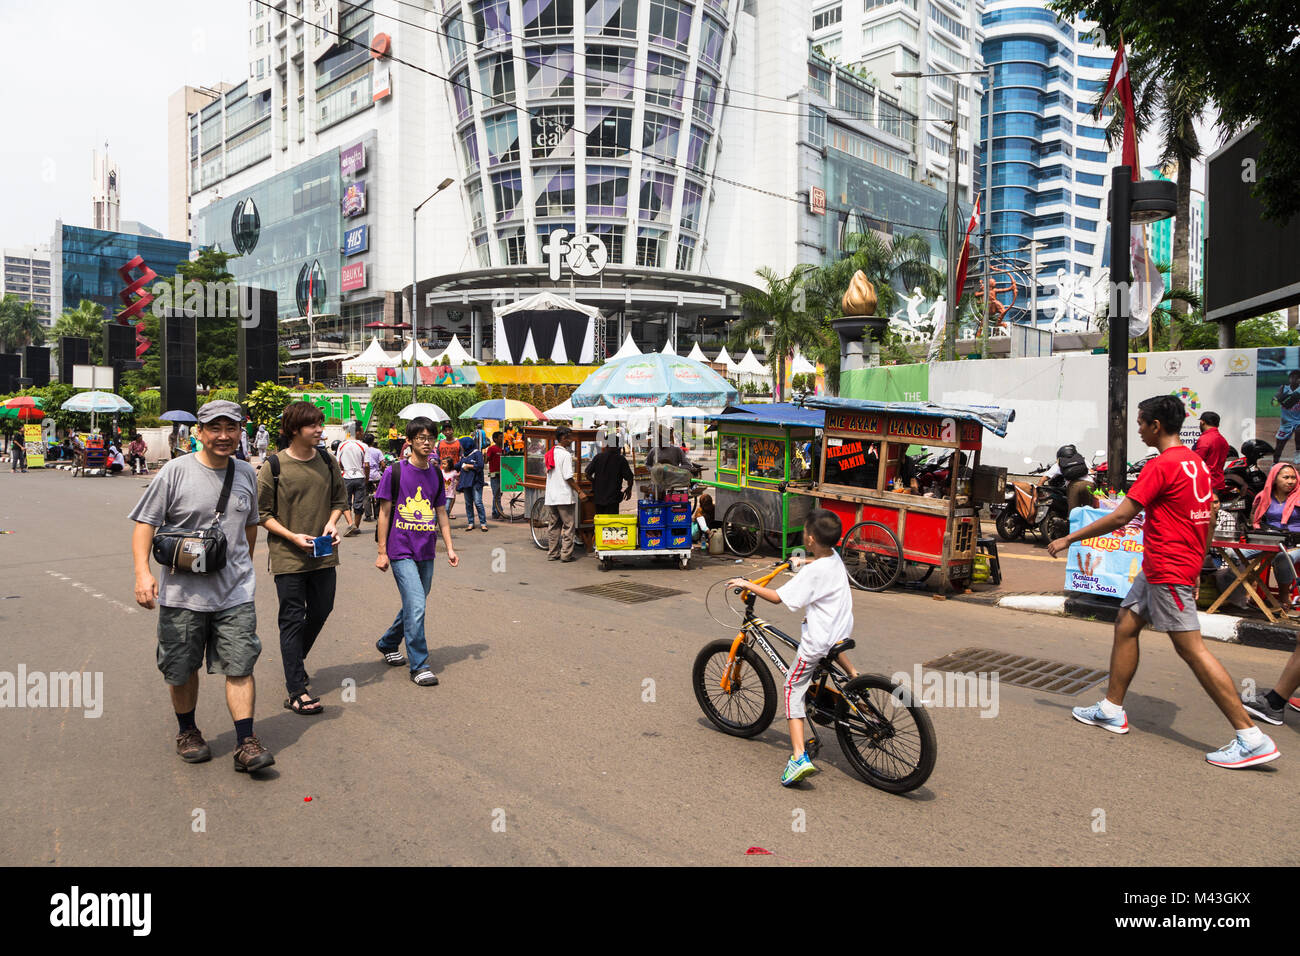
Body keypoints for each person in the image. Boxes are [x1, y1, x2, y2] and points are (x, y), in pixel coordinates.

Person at [1048, 395, 1279, 769]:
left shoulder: (1162, 465)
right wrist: (1198, 560)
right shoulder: (1195, 464)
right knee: (1126, 625)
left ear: (1156, 426)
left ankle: (1250, 736)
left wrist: (1068, 538)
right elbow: (1210, 512)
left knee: (1192, 649)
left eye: (1141, 422)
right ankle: (1111, 708)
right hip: (1167, 565)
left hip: (1168, 568)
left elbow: (1121, 517)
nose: (1138, 428)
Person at [129, 400, 274, 773]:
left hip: (235, 593)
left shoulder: (245, 473)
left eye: (232, 428)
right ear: (200, 433)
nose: (224, 436)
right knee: (181, 668)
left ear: (241, 431)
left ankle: (246, 742)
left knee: (240, 665)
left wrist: (244, 566)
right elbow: (145, 524)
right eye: (215, 428)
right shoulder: (174, 472)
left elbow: (250, 524)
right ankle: (188, 731)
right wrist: (142, 574)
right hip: (183, 595)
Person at [726, 509, 860, 786]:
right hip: (841, 630)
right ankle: (856, 679)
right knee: (830, 645)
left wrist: (746, 583)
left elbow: (777, 598)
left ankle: (799, 757)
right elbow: (818, 563)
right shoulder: (833, 559)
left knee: (792, 687)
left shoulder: (813, 574)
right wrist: (798, 562)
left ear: (810, 539)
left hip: (818, 641)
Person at [257, 401, 347, 716]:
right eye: (313, 425)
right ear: (295, 429)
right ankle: (296, 689)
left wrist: (332, 522)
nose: (320, 430)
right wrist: (293, 537)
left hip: (323, 553)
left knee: (322, 610)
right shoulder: (274, 466)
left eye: (320, 424)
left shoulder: (327, 460)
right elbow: (262, 514)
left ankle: (293, 662)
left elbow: (339, 499)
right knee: (292, 620)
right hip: (288, 556)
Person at [374, 417, 459, 687]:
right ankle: (419, 665)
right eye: (420, 437)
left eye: (430, 437)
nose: (426, 442)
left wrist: (449, 547)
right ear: (409, 441)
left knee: (415, 603)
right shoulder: (394, 472)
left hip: (427, 550)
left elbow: (442, 512)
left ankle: (388, 642)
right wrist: (381, 551)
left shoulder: (435, 473)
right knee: (418, 604)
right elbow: (384, 513)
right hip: (400, 550)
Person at [545, 425, 587, 562]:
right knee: (568, 526)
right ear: (563, 438)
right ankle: (566, 554)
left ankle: (552, 553)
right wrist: (579, 491)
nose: (572, 439)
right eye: (570, 437)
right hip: (563, 495)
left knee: (554, 526)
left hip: (551, 496)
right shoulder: (565, 455)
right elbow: (568, 476)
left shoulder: (550, 452)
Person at [585, 438, 635, 516]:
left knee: (600, 522)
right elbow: (630, 477)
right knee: (611, 523)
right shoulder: (620, 459)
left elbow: (587, 474)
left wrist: (595, 482)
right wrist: (629, 489)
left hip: (599, 497)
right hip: (613, 498)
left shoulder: (598, 457)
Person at [1041, 444, 1097, 511]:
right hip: (1089, 485)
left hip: (1074, 486)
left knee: (1074, 512)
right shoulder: (1082, 460)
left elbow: (1044, 478)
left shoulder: (1059, 463)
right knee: (1090, 510)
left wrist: (1038, 489)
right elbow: (1092, 472)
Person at [336, 431, 369, 536]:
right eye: (361, 430)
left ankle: (351, 524)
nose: (363, 433)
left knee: (346, 503)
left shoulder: (342, 445)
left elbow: (338, 463)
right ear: (357, 432)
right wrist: (367, 478)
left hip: (346, 477)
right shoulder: (363, 446)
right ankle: (356, 526)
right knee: (358, 504)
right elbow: (367, 465)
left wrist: (343, 469)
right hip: (360, 477)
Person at [1193, 411, 1230, 497]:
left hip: (1205, 484)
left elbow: (1197, 461)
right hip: (1218, 483)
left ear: (1202, 422)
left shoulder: (1205, 439)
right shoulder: (1223, 440)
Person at [457, 435, 488, 531]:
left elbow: (480, 465)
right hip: (466, 482)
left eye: (461, 445)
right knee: (468, 503)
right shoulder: (464, 455)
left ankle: (483, 523)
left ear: (467, 444)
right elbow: (458, 465)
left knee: (478, 502)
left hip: (476, 482)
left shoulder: (477, 453)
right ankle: (471, 522)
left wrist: (469, 466)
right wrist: (446, 466)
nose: (460, 446)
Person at [1274, 370, 1300, 463]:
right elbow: (1274, 403)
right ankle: (1274, 463)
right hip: (1286, 421)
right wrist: (1279, 398)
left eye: (1297, 378)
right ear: (1289, 379)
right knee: (1280, 444)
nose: (1294, 380)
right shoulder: (1283, 388)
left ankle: (1298, 452)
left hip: (1299, 420)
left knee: (1299, 431)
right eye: (1292, 377)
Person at [363, 433, 384, 520]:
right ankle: (378, 512)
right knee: (379, 494)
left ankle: (368, 515)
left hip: (365, 475)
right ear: (373, 441)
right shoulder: (377, 451)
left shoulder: (363, 450)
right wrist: (381, 470)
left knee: (366, 495)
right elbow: (383, 464)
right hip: (376, 476)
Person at [486, 431, 505, 520]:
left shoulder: (503, 449)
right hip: (494, 475)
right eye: (500, 437)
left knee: (499, 494)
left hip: (503, 474)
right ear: (495, 439)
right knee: (496, 494)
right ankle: (499, 511)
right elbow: (487, 460)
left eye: (503, 437)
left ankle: (495, 511)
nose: (502, 439)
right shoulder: (491, 449)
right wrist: (485, 456)